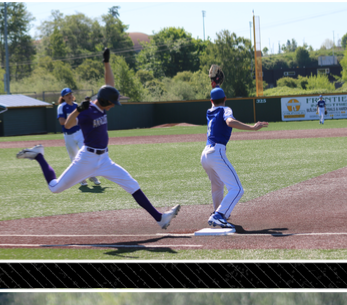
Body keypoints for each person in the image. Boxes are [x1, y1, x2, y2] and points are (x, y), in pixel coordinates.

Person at [15, 49, 180, 231]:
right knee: (55, 188)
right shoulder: (87, 110)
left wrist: (106, 62)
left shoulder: (101, 102)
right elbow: (68, 125)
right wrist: (78, 109)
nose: (113, 106)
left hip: (104, 159)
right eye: (112, 103)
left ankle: (160, 218)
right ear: (106, 102)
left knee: (132, 185)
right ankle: (39, 156)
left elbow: (109, 85)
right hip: (87, 159)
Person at [201, 87, 269, 229]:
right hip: (216, 152)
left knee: (218, 186)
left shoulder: (209, 111)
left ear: (211, 101)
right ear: (225, 99)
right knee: (237, 189)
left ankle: (219, 213)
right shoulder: (226, 109)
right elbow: (230, 122)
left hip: (205, 155)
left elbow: (215, 103)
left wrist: (215, 86)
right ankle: (218, 215)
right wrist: (252, 127)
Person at [57, 88, 101, 185]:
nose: (70, 96)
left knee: (87, 153)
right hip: (68, 136)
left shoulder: (77, 105)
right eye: (67, 94)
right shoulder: (62, 107)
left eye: (70, 93)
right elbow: (61, 122)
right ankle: (81, 179)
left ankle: (92, 175)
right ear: (63, 97)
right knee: (74, 158)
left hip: (79, 133)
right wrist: (72, 121)